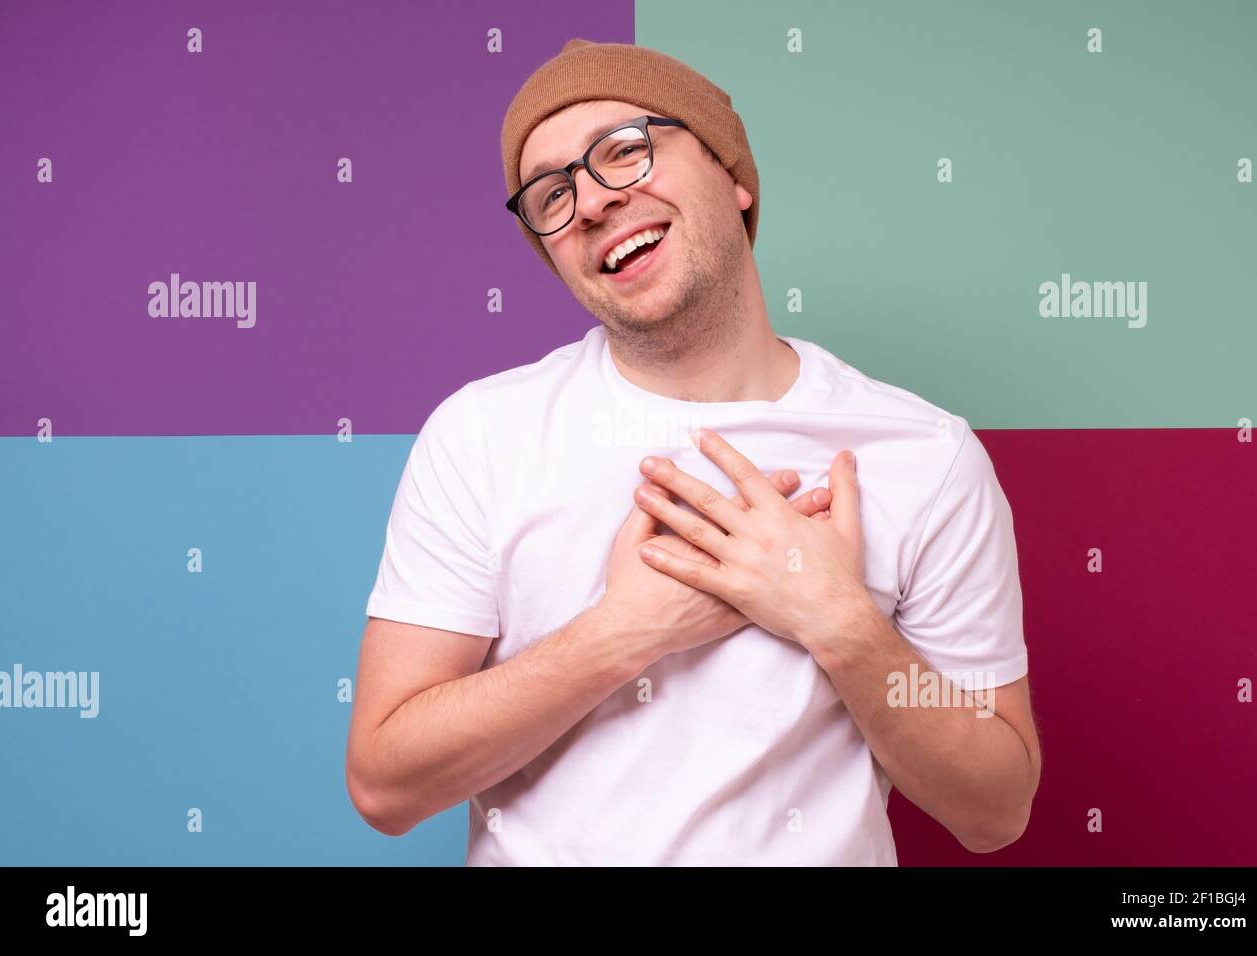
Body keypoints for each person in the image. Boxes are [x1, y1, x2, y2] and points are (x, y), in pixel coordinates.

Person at [345, 38, 1041, 866]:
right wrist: (622, 634)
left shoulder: (924, 455)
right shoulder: (481, 437)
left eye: (625, 152)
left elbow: (996, 807)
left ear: (734, 176)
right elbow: (385, 786)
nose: (593, 202)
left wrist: (841, 624)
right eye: (551, 195)